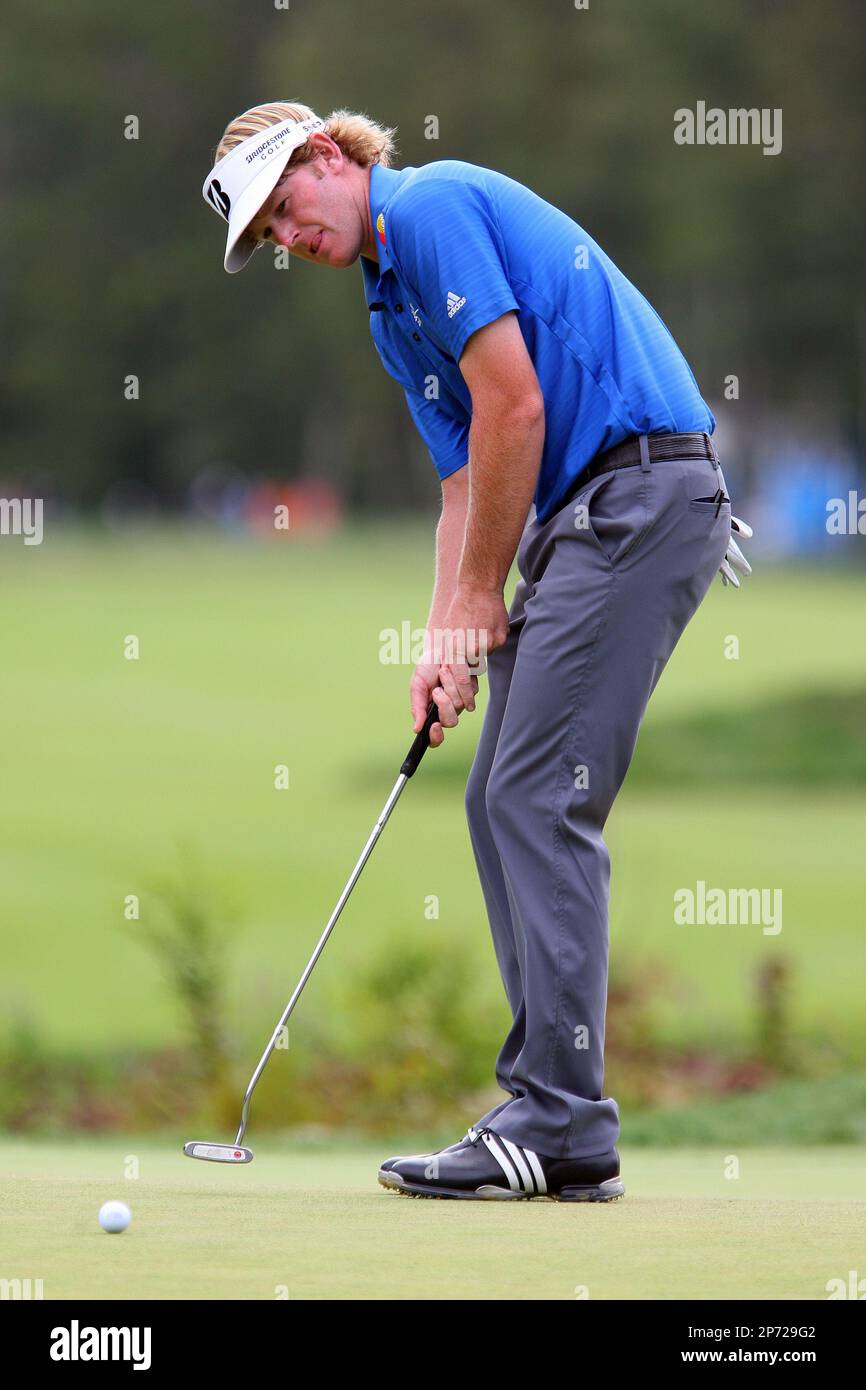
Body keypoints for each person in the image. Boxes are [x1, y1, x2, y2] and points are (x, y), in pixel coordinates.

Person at [202, 102, 752, 1202]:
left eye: (284, 208)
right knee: (495, 798)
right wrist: (443, 634)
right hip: (581, 515)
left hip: (637, 495)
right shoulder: (386, 305)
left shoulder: (434, 205)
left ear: (323, 157)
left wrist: (473, 593)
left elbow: (514, 407)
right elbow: (461, 479)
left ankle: (557, 1120)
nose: (288, 238)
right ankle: (554, 1119)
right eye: (267, 236)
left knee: (536, 794)